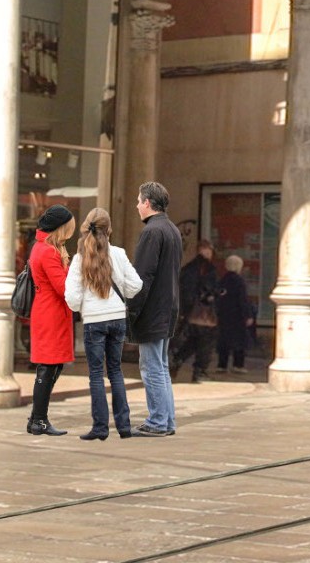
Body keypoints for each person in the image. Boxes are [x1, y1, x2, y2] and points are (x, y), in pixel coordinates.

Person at [64, 207, 142, 440]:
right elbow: (136, 284)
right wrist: (121, 295)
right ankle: (124, 426)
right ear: (109, 230)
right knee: (116, 372)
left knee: (96, 374)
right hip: (117, 318)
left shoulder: (80, 258)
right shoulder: (118, 253)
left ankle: (100, 428)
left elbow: (72, 298)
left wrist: (85, 307)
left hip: (94, 322)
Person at [126, 181, 183, 437]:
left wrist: (132, 310)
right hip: (167, 308)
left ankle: (158, 421)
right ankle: (166, 420)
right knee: (160, 366)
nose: (137, 206)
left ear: (148, 203)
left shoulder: (152, 232)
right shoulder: (171, 229)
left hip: (152, 310)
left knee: (151, 367)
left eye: (139, 201)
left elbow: (142, 277)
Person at [25, 205, 77, 437]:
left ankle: (38, 417)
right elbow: (62, 287)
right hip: (51, 314)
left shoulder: (44, 248)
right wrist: (74, 271)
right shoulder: (48, 252)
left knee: (50, 366)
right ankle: (38, 420)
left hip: (50, 312)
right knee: (47, 367)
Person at [171, 239, 220, 382]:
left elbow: (183, 290)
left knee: (193, 340)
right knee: (206, 342)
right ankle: (200, 371)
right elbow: (209, 289)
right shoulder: (207, 268)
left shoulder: (188, 267)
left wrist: (185, 309)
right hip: (204, 312)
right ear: (205, 250)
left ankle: (178, 360)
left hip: (190, 312)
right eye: (209, 250)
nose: (210, 253)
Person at [215, 255, 254, 374]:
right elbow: (243, 300)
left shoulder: (222, 280)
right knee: (239, 341)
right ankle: (238, 365)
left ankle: (222, 365)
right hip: (237, 316)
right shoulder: (239, 281)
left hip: (224, 315)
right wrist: (248, 315)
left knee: (224, 340)